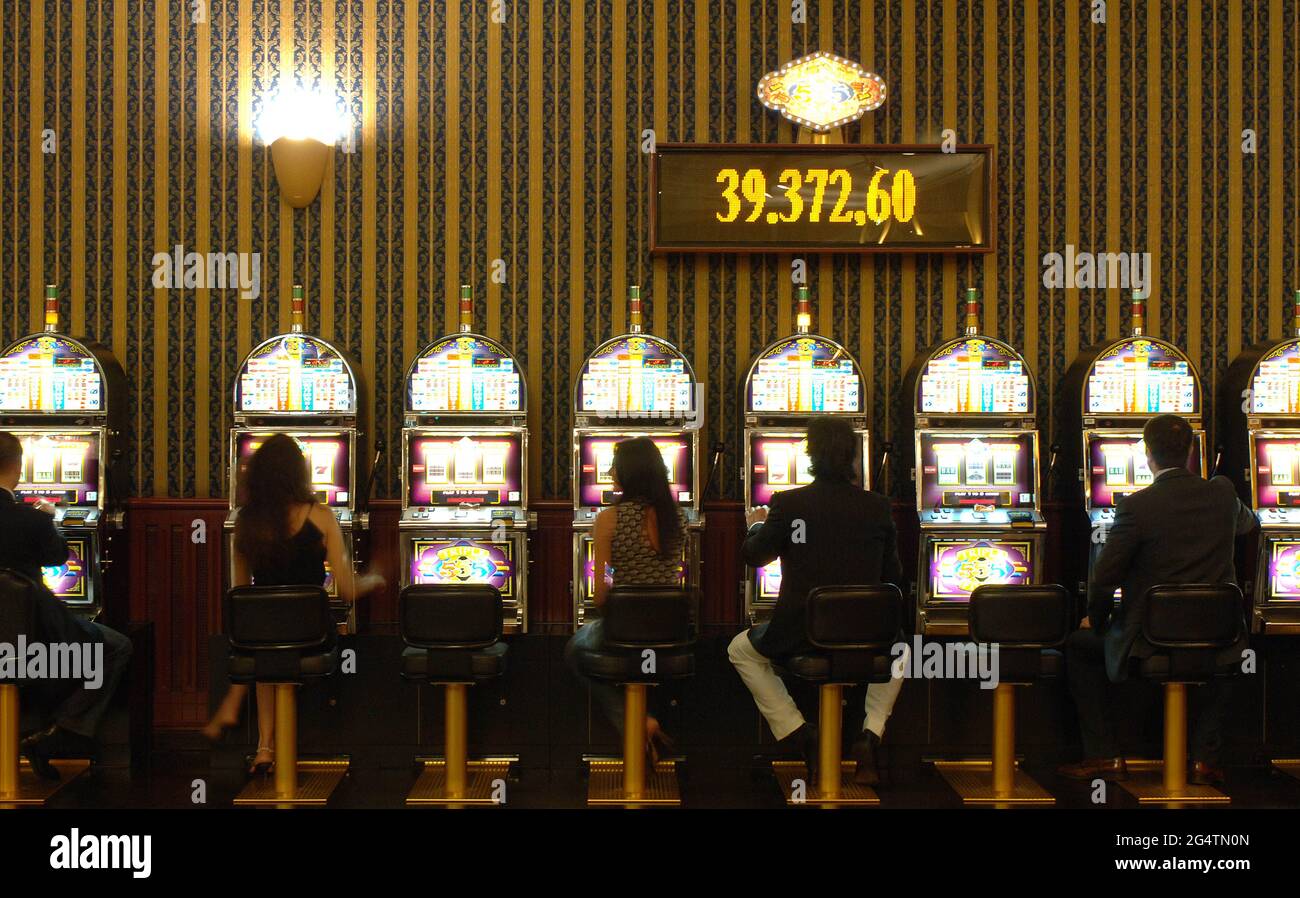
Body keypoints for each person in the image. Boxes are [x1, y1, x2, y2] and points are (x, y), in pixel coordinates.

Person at [1058, 414, 1255, 785]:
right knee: (1229, 656)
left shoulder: (1136, 506)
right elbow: (1250, 524)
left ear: (1147, 455)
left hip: (1150, 639)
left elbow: (1104, 577)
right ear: (1193, 450)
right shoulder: (1223, 492)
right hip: (1221, 634)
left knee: (1079, 647)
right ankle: (1203, 759)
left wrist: (1096, 620)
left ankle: (1104, 755)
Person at [728, 416, 905, 786]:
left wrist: (757, 525)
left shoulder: (790, 503)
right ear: (853, 458)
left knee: (739, 651)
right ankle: (868, 737)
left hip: (800, 632)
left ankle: (799, 733)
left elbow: (754, 555)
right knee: (901, 649)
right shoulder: (877, 506)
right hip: (866, 633)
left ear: (809, 454)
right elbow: (894, 577)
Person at [203, 433, 383, 773]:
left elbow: (241, 595)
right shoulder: (323, 516)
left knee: (266, 646)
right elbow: (346, 590)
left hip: (260, 636)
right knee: (279, 640)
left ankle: (265, 747)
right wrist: (374, 578)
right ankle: (274, 743)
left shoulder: (245, 522)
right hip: (312, 633)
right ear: (298, 473)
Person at [0, 431, 134, 779]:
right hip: (35, 645)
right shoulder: (31, 520)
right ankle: (59, 731)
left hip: (17, 646)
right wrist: (53, 517)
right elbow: (59, 556)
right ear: (16, 466)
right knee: (117, 648)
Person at [564, 436, 687, 762]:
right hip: (670, 628)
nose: (609, 470)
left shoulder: (610, 518)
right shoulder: (677, 516)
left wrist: (602, 605)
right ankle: (644, 719)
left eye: (615, 465)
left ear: (629, 472)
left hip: (623, 626)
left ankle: (632, 722)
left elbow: (604, 584)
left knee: (575, 650)